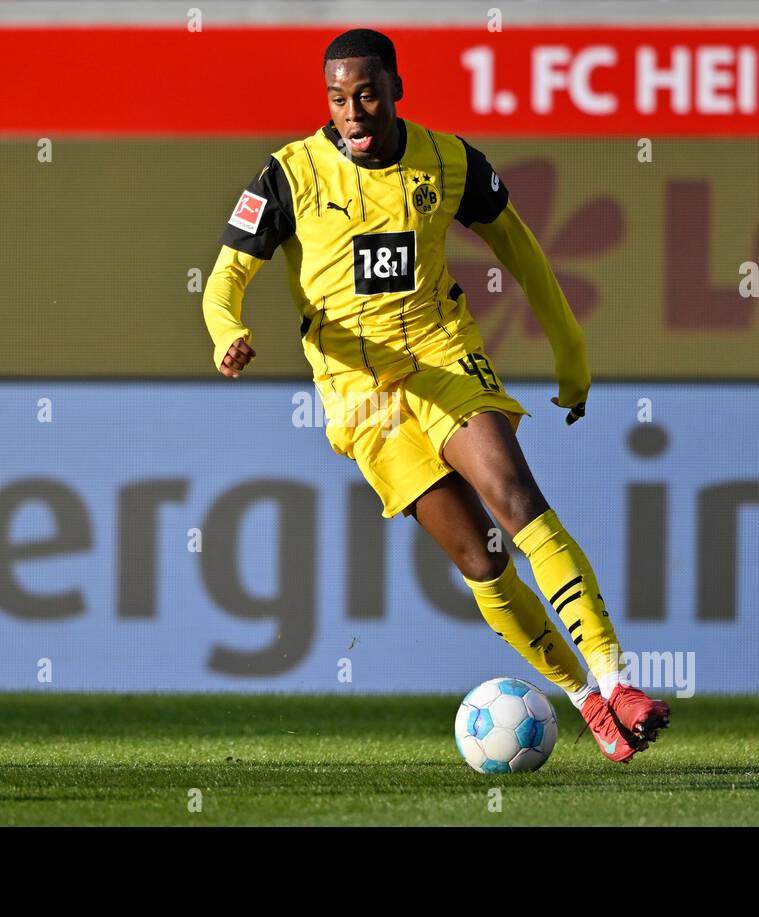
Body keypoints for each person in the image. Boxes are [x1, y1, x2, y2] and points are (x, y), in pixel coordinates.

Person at [201, 28, 668, 762]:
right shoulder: (288, 176)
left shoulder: (449, 160)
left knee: (516, 499)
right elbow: (226, 276)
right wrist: (225, 328)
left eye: (365, 95)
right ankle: (586, 701)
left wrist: (571, 353)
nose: (351, 112)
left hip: (441, 356)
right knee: (482, 560)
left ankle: (619, 679)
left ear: (395, 91)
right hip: (358, 396)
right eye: (336, 98)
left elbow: (522, 252)